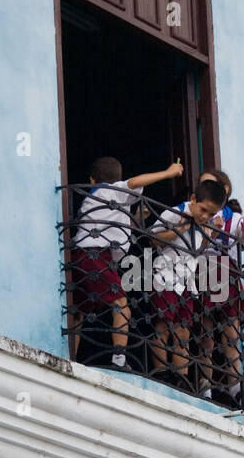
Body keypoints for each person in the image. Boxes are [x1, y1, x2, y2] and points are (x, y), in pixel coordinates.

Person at [70, 156, 183, 369]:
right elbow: (134, 183)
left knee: (79, 311)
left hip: (86, 256)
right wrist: (168, 173)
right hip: (95, 255)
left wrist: (136, 218)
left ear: (92, 179)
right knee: (122, 304)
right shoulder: (109, 191)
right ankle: (119, 360)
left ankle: (70, 358)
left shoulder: (104, 199)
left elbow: (117, 229)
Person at [146, 179, 227, 389]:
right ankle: (162, 372)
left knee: (183, 331)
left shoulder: (204, 224)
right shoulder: (174, 212)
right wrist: (182, 226)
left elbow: (199, 250)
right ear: (193, 199)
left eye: (211, 214)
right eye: (203, 210)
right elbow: (153, 238)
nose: (205, 216)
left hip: (187, 283)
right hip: (165, 276)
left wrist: (211, 234)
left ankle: (180, 377)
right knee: (163, 326)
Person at [195, 170, 244, 405]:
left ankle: (236, 388)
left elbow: (242, 244)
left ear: (225, 191)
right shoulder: (198, 216)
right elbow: (196, 246)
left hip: (227, 275)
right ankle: (205, 387)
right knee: (206, 335)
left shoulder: (235, 219)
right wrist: (209, 230)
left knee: (230, 334)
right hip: (206, 272)